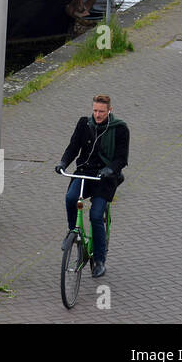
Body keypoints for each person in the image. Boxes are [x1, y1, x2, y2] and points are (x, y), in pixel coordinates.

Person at [55, 94, 129, 278]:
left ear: (109, 110)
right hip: (84, 172)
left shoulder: (120, 129)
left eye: (101, 112)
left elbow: (122, 158)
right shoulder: (84, 124)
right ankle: (73, 231)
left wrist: (110, 169)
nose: (97, 115)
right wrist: (63, 163)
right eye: (95, 110)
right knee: (70, 198)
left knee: (96, 216)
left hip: (105, 178)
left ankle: (100, 260)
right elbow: (73, 147)